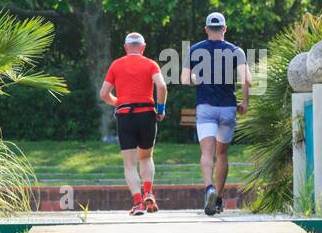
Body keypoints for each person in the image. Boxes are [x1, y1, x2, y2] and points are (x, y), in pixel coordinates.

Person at [180, 12, 250, 216]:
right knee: (222, 154)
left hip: (206, 108)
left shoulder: (195, 49)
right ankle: (218, 199)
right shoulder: (236, 51)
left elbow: (185, 80)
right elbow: (247, 80)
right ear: (225, 28)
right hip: (228, 108)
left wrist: (196, 77)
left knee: (207, 153)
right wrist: (245, 102)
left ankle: (208, 188)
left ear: (206, 29)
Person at [99, 32, 167, 215]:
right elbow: (161, 86)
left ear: (126, 47)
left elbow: (103, 94)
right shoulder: (151, 64)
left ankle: (138, 203)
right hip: (146, 114)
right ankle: (149, 191)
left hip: (125, 116)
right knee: (146, 157)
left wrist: (119, 102)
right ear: (143, 47)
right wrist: (160, 110)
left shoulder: (116, 65)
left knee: (129, 163)